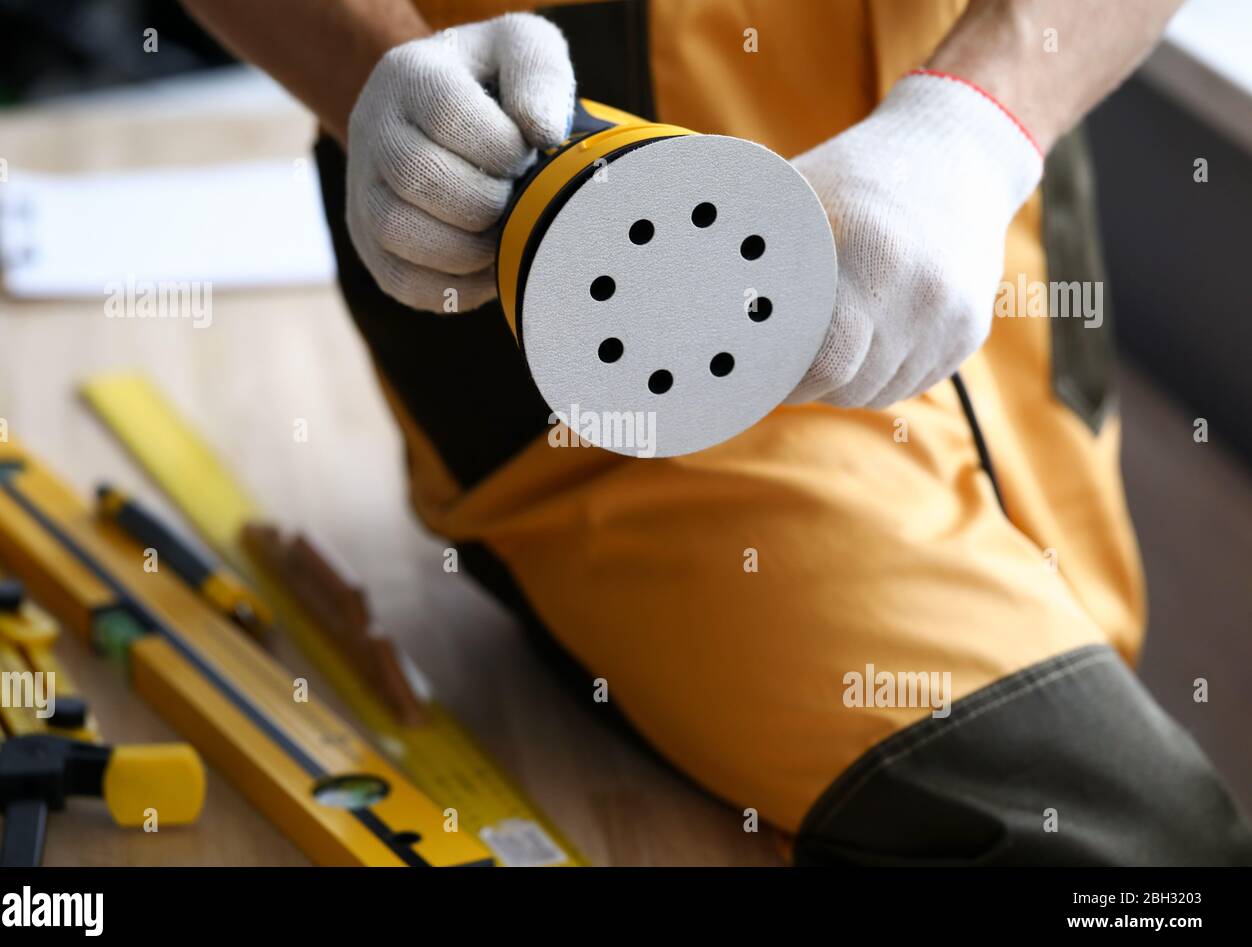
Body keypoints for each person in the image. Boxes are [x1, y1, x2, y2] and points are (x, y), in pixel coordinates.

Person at [182, 0, 1252, 864]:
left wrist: (977, 127)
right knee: (1126, 839)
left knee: (1086, 648)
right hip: (644, 333)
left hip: (967, 217)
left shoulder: (972, 157)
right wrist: (377, 73)